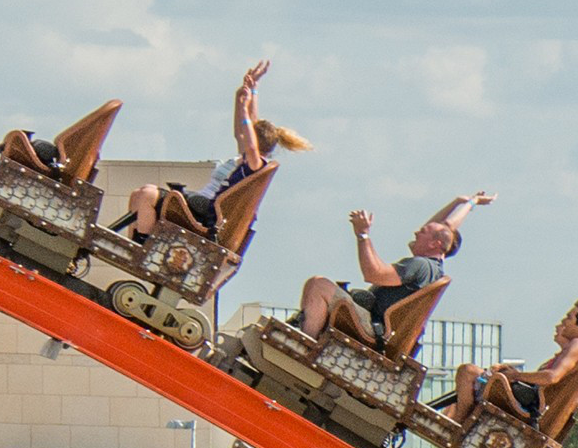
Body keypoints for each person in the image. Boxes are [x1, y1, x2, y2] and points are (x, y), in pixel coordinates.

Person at [123, 59, 312, 244]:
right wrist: (250, 92)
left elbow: (251, 139)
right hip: (204, 203)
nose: (243, 134)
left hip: (207, 210)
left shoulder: (255, 165)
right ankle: (133, 242)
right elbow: (248, 130)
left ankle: (144, 245)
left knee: (147, 194)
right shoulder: (247, 160)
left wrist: (245, 112)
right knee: (138, 195)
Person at [293, 192, 493, 343]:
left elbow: (373, 274)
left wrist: (363, 235)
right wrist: (467, 203)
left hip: (372, 326)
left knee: (318, 285)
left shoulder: (419, 265)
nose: (416, 232)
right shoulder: (432, 268)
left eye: (422, 231)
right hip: (378, 325)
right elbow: (444, 227)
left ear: (435, 244)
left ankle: (305, 343)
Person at [449, 300, 578, 421]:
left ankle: (460, 421)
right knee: (480, 373)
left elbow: (552, 377)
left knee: (468, 371)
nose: (564, 321)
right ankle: (462, 418)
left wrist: (516, 376)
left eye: (569, 318)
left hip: (531, 402)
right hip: (532, 398)